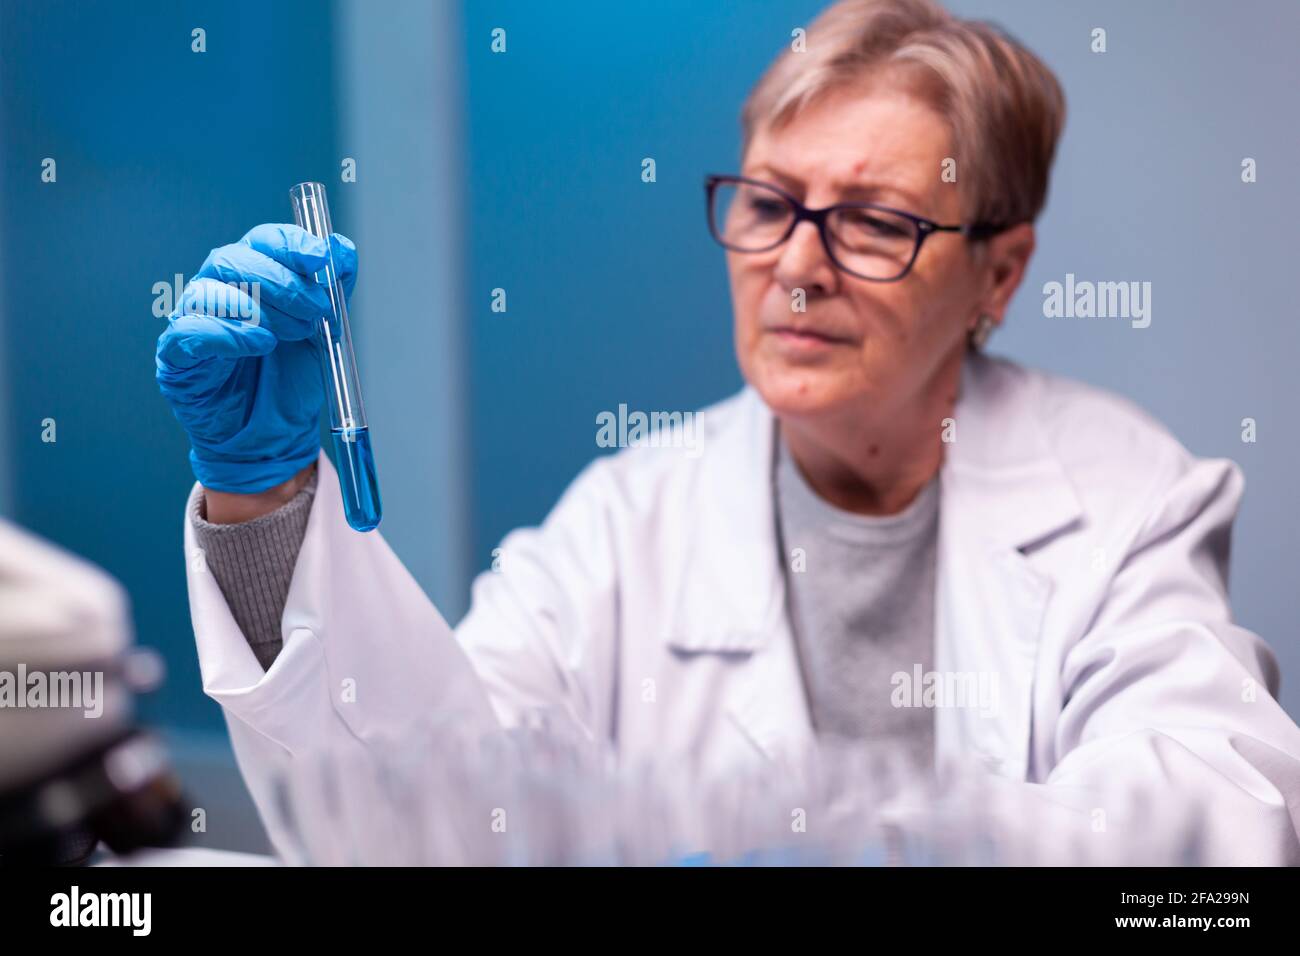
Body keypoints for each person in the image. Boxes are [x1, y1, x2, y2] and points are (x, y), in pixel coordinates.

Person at [155, 0, 1300, 863]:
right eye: (766, 204)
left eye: (872, 221)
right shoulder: (629, 516)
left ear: (996, 273)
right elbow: (432, 816)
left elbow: (1213, 835)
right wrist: (266, 503)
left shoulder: (1125, 497)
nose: (795, 267)